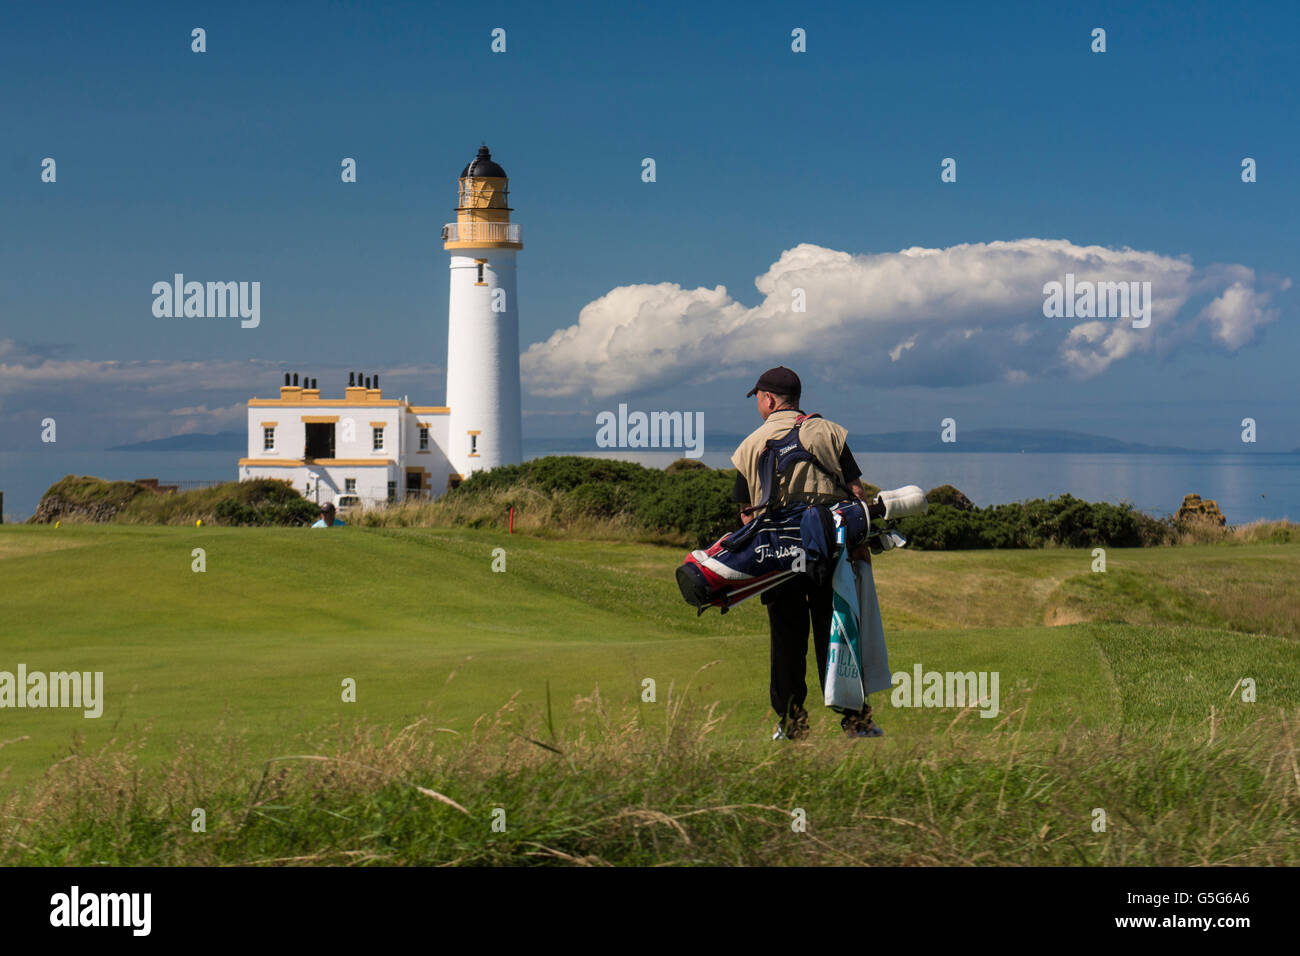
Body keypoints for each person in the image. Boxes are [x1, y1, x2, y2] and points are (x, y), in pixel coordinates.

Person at [730, 366, 883, 741]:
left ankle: (792, 725)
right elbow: (857, 493)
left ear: (767, 399)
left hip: (777, 559)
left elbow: (747, 514)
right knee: (838, 634)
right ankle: (856, 722)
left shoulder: (750, 445)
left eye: (759, 399)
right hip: (829, 551)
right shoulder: (830, 432)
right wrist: (860, 544)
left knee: (786, 641)